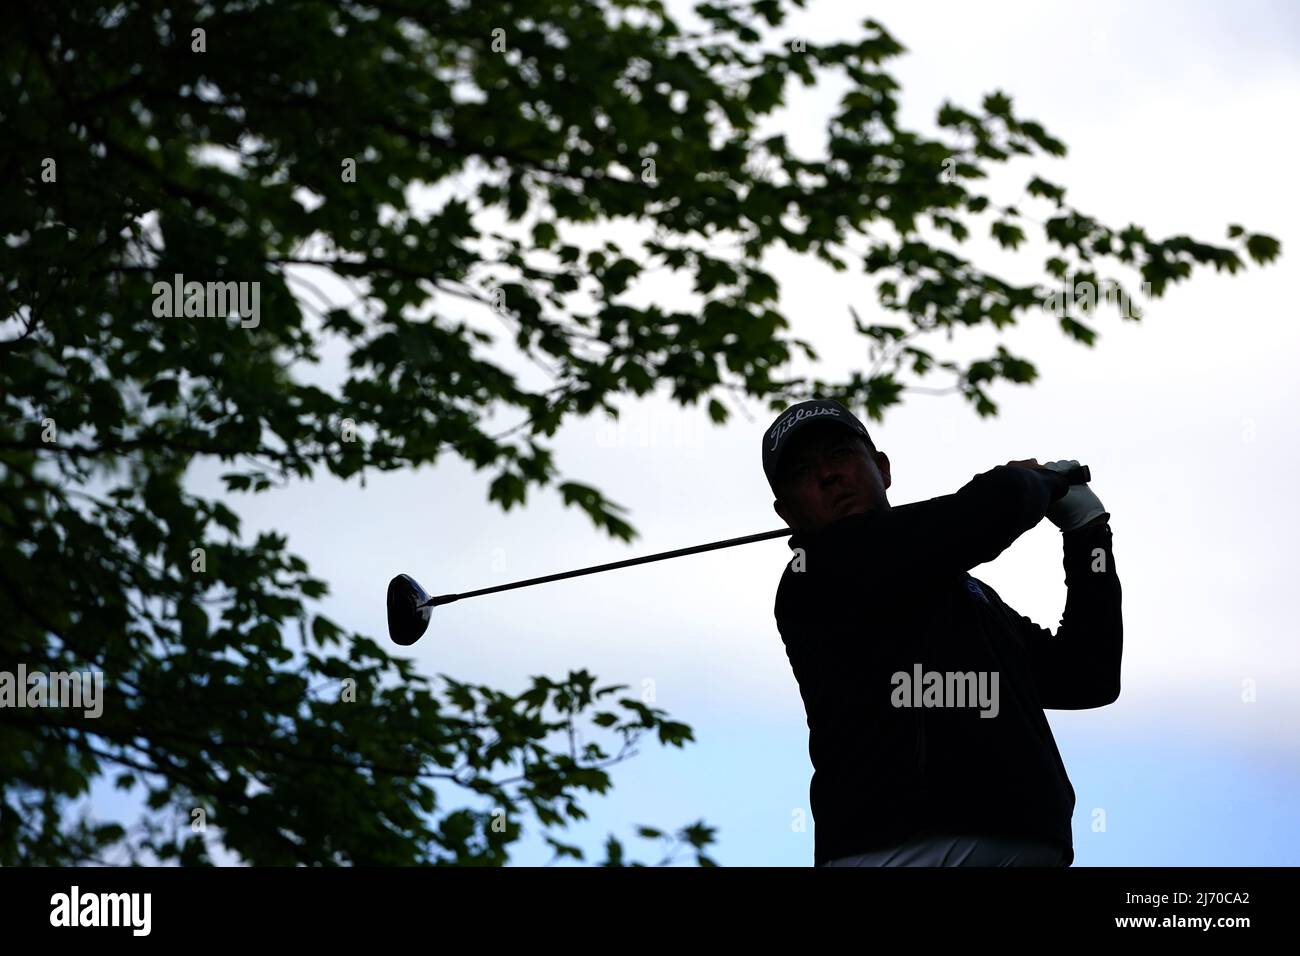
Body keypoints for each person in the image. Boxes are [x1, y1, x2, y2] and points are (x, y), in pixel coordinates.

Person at [765, 398, 1123, 867]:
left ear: (882, 468)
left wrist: (1088, 535)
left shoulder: (966, 594)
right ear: (786, 511)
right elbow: (985, 512)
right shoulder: (812, 572)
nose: (828, 475)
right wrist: (1035, 480)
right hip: (895, 851)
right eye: (802, 472)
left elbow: (1086, 677)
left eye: (840, 455)